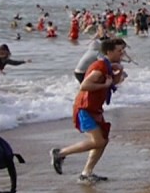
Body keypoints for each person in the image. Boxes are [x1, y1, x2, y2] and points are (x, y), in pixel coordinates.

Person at [51, 38, 128, 183]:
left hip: (95, 108)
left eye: (123, 50)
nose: (122, 53)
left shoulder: (108, 66)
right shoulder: (100, 67)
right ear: (109, 52)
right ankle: (60, 153)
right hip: (85, 107)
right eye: (119, 51)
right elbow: (84, 86)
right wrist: (104, 85)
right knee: (98, 141)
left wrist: (119, 71)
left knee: (103, 140)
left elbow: (113, 82)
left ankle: (86, 173)